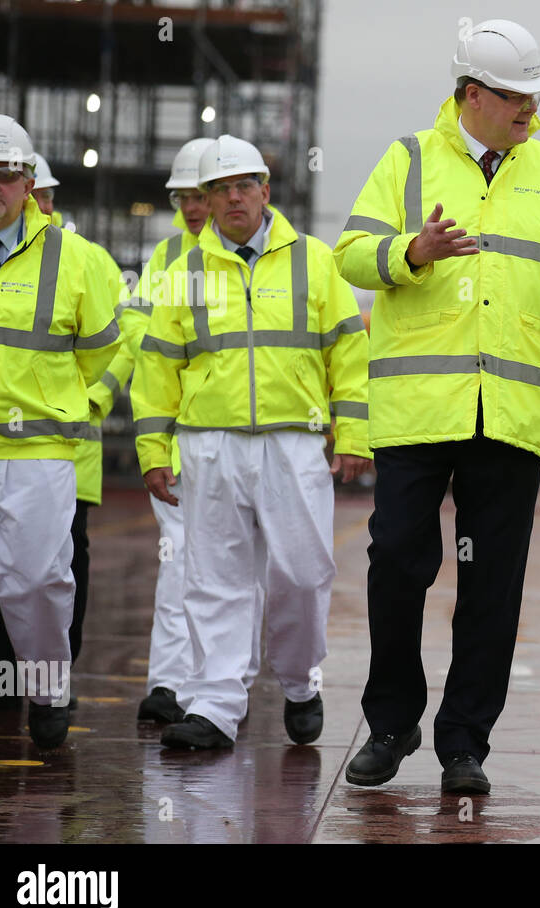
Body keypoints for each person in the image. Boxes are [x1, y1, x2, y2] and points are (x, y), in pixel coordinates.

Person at [333, 19, 540, 793]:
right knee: (399, 562)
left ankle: (464, 742)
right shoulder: (407, 160)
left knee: (491, 585)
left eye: (534, 94)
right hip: (418, 408)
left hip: (512, 412)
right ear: (472, 95)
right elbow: (352, 254)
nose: (531, 108)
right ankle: (392, 722)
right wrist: (411, 252)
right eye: (516, 95)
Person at [133, 134, 370, 749]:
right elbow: (158, 367)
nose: (233, 198)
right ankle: (215, 704)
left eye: (244, 186)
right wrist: (154, 451)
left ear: (266, 190)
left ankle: (298, 679)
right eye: (220, 190)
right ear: (206, 202)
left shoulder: (315, 261)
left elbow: (348, 351)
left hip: (295, 443)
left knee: (303, 573)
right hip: (209, 444)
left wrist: (356, 435)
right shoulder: (184, 273)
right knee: (214, 578)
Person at [0, 114, 121, 755]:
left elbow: (101, 351)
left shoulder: (80, 260)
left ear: (30, 182)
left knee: (34, 582)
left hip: (36, 450)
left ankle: (49, 685)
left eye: (8, 174)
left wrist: (44, 401)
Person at [122, 138, 264, 725]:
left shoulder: (258, 261)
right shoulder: (168, 262)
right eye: (183, 197)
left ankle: (226, 681)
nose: (191, 208)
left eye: (197, 196)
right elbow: (139, 336)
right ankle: (172, 682)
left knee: (238, 569)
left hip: (242, 443)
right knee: (182, 561)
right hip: (184, 440)